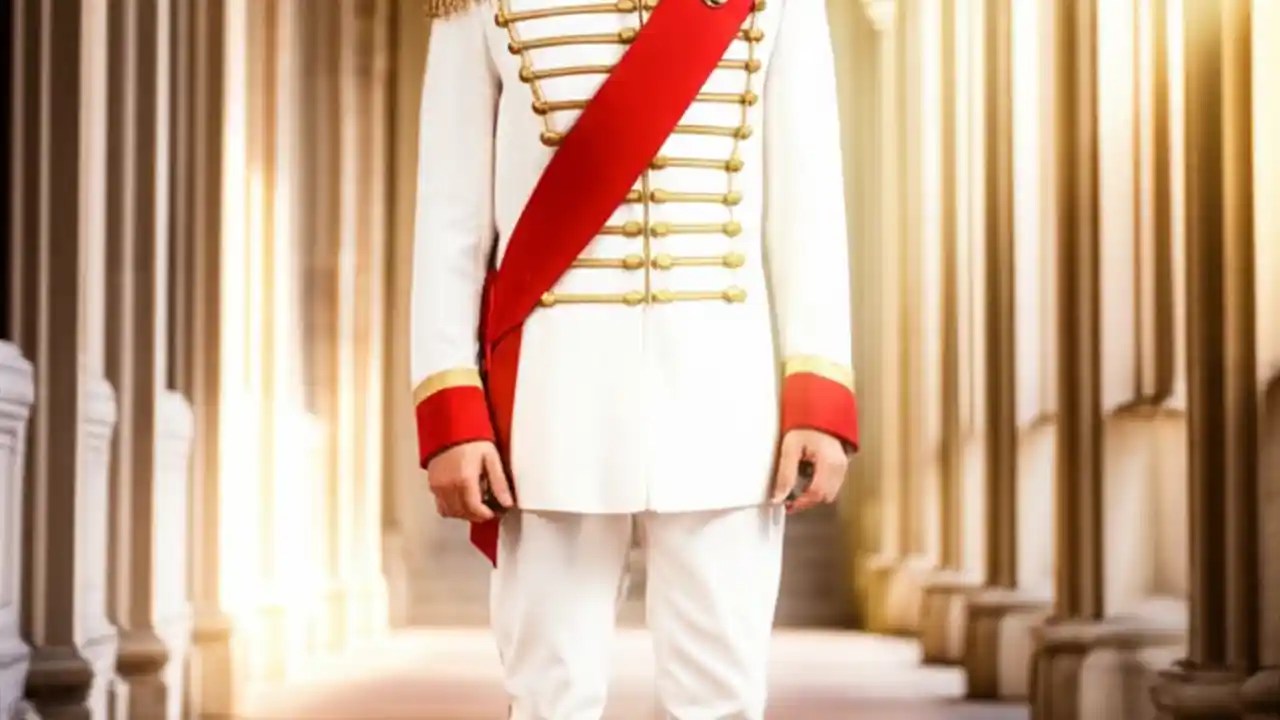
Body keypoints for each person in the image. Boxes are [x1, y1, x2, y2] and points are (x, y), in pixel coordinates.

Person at [409, 0, 858, 716]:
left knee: (721, 698)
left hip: (722, 399)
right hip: (551, 406)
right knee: (550, 695)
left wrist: (818, 387)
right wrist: (452, 412)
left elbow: (808, 200)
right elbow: (450, 213)